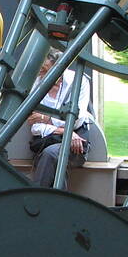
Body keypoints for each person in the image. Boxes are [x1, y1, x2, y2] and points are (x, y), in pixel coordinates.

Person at [28, 50, 94, 190]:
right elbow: (34, 127)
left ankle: (36, 200)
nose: (41, 74)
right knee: (52, 156)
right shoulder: (37, 83)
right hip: (48, 142)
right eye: (41, 70)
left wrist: (45, 118)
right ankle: (57, 205)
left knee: (51, 154)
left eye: (45, 70)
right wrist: (66, 132)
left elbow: (77, 121)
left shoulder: (79, 82)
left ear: (59, 68)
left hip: (76, 146)